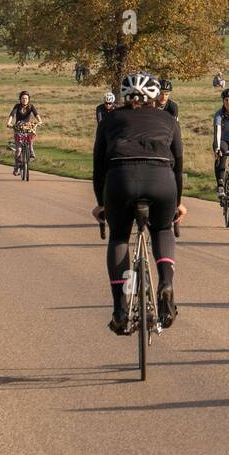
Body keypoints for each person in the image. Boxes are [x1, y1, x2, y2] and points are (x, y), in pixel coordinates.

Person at [91, 72, 186, 334]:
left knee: (119, 238)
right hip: (161, 181)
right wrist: (177, 202)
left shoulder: (109, 120)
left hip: (120, 180)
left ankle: (121, 308)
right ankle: (166, 283)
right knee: (162, 229)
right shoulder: (169, 119)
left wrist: (101, 204)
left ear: (125, 96)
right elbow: (178, 166)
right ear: (154, 96)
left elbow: (98, 168)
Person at [6, 90, 42, 170]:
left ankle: (31, 149)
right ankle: (16, 166)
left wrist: (39, 121)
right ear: (20, 99)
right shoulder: (17, 106)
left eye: (26, 98)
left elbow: (36, 114)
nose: (24, 100)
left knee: (31, 133)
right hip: (18, 127)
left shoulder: (31, 106)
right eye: (23, 98)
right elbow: (12, 114)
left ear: (28, 99)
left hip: (28, 127)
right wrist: (9, 123)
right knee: (18, 150)